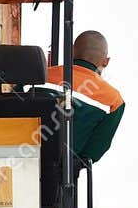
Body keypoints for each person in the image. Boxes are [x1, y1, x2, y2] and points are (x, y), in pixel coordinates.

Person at [46, 29, 126, 165]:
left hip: (18, 154)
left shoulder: (40, 76)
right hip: (58, 175)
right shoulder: (114, 100)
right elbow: (94, 151)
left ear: (71, 52)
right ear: (106, 61)